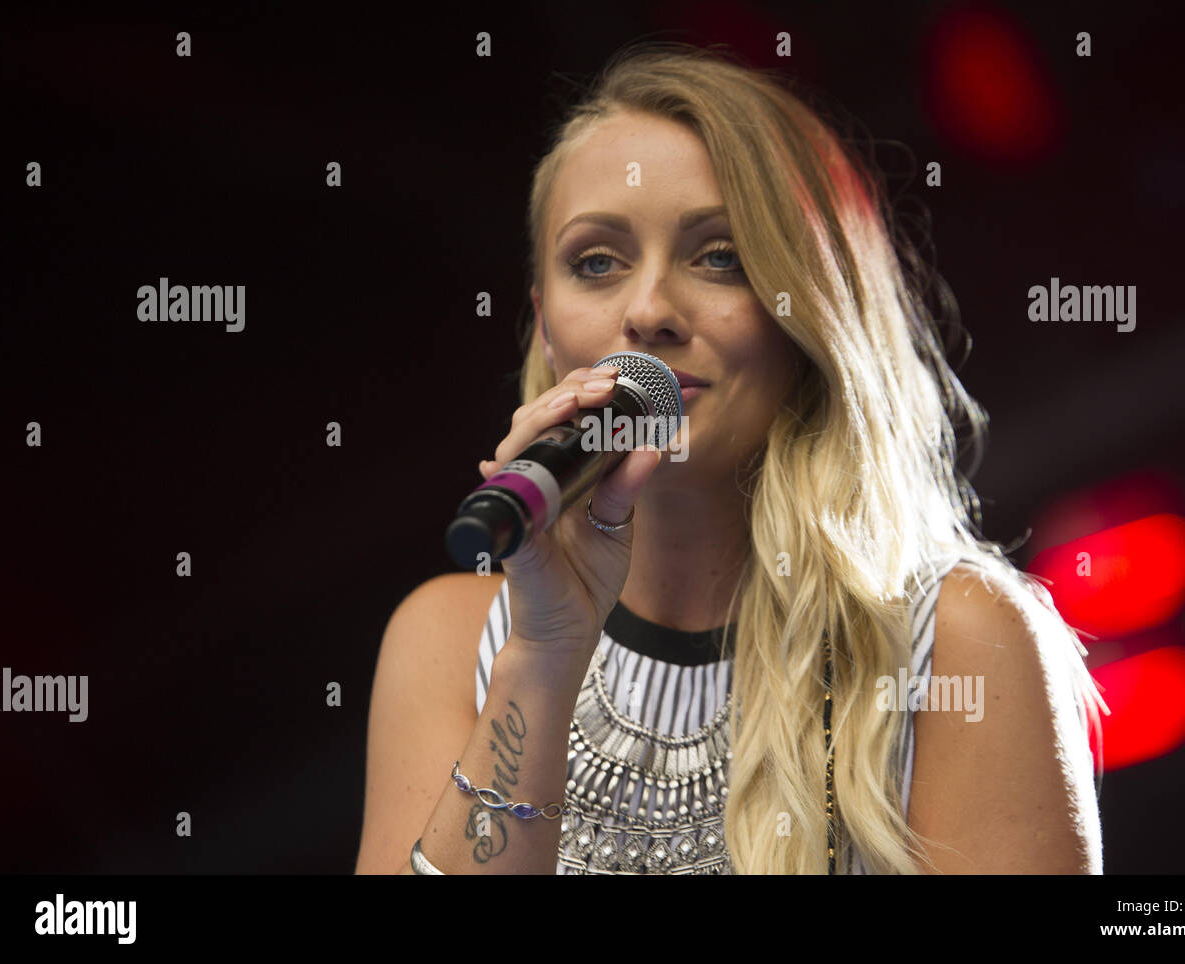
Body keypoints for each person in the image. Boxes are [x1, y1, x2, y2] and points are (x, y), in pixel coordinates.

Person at [354, 41, 1106, 875]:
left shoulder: (956, 643)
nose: (647, 311)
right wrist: (543, 655)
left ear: (811, 308)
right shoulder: (453, 641)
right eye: (596, 262)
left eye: (719, 256)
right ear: (544, 321)